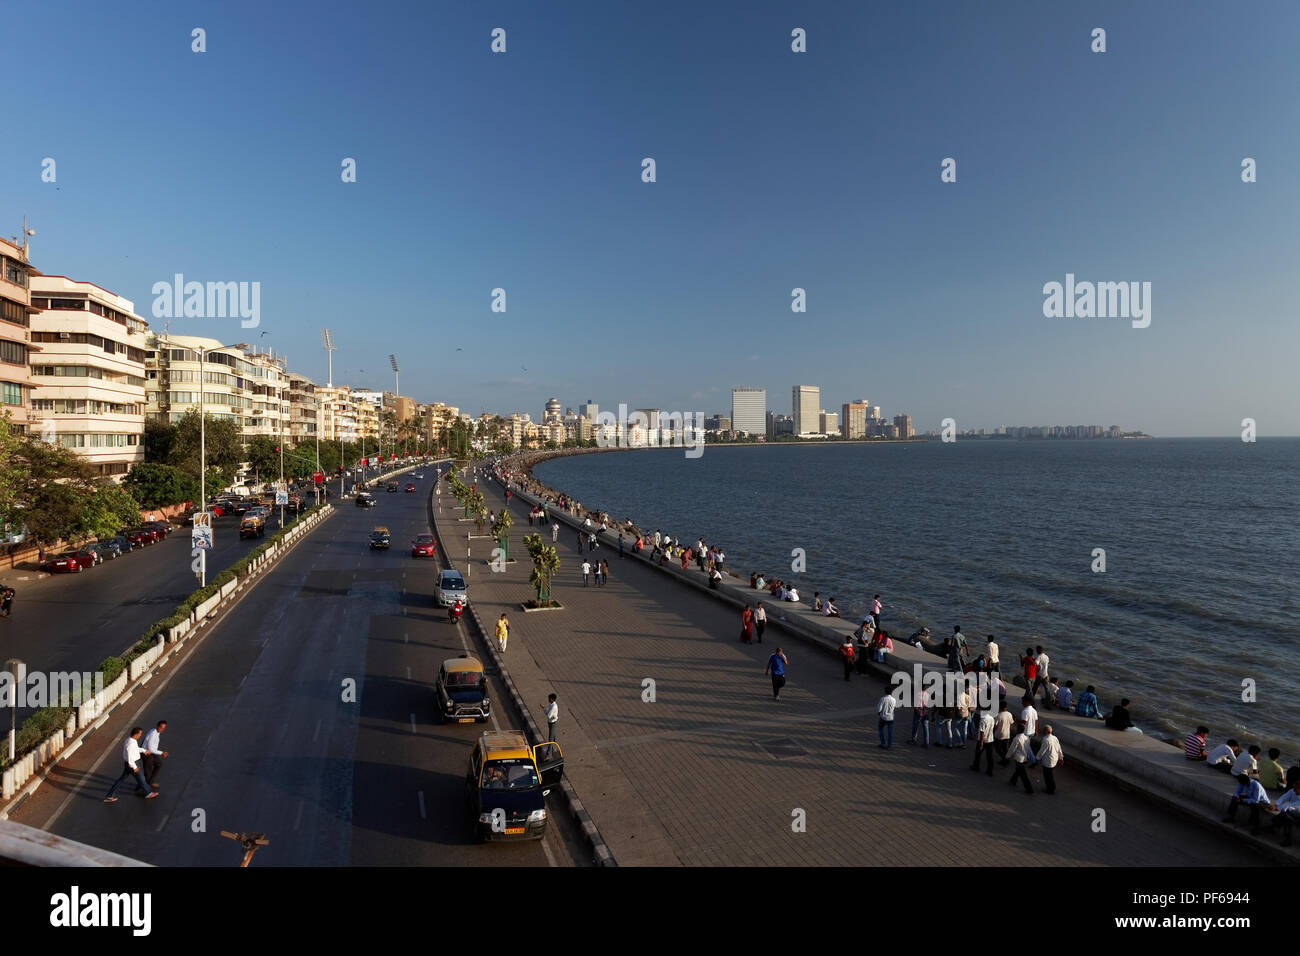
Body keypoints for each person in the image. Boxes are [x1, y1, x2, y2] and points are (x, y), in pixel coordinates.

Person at [103, 727, 157, 803]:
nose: (140, 735)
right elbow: (129, 756)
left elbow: (136, 749)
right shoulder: (130, 743)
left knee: (121, 780)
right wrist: (134, 766)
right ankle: (148, 793)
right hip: (132, 764)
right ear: (136, 734)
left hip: (130, 764)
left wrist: (144, 750)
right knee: (141, 779)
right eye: (140, 734)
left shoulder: (131, 740)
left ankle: (109, 796)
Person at [1006, 722, 1035, 794]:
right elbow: (1028, 749)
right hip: (1024, 757)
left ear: (1018, 730)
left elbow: (1012, 749)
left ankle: (1029, 789)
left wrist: (1007, 756)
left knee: (1023, 775)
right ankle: (1013, 781)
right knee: (1018, 771)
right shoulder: (1027, 738)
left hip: (1018, 758)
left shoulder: (1016, 738)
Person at [1271, 777, 1300, 846]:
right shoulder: (1293, 791)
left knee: (1286, 815)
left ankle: (1275, 827)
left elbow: (1292, 807)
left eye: (1296, 789)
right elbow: (1284, 797)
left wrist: (1278, 808)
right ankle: (1275, 826)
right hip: (1294, 812)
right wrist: (1276, 805)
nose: (1294, 790)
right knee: (1286, 816)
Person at [1036, 724, 1064, 795]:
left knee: (1048, 775)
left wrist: (1037, 758)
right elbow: (1059, 748)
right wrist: (1060, 757)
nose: (1042, 731)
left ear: (1046, 731)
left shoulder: (1046, 739)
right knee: (1050, 774)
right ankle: (1051, 788)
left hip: (1048, 761)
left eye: (1044, 730)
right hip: (1054, 759)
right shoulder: (1055, 738)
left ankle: (1050, 789)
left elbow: (1042, 750)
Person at [142, 720, 168, 788]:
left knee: (159, 764)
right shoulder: (153, 734)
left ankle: (149, 782)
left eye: (164, 728)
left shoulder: (157, 732)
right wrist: (162, 753)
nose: (162, 729)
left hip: (151, 753)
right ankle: (142, 788)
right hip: (146, 754)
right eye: (161, 727)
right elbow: (150, 748)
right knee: (148, 772)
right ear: (157, 726)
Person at [970, 709, 996, 775]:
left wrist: (981, 742)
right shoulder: (992, 718)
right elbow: (994, 727)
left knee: (978, 754)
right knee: (989, 756)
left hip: (982, 740)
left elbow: (982, 732)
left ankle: (976, 767)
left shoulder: (983, 719)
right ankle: (990, 770)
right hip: (990, 739)